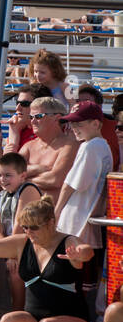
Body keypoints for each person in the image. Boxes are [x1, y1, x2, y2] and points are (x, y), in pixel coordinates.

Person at [54, 101, 112, 259]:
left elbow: (71, 185)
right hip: (86, 219)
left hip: (76, 221)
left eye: (79, 123)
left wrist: (56, 211)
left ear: (95, 123)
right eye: (72, 123)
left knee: (72, 272)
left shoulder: (90, 146)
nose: (74, 128)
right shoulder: (103, 146)